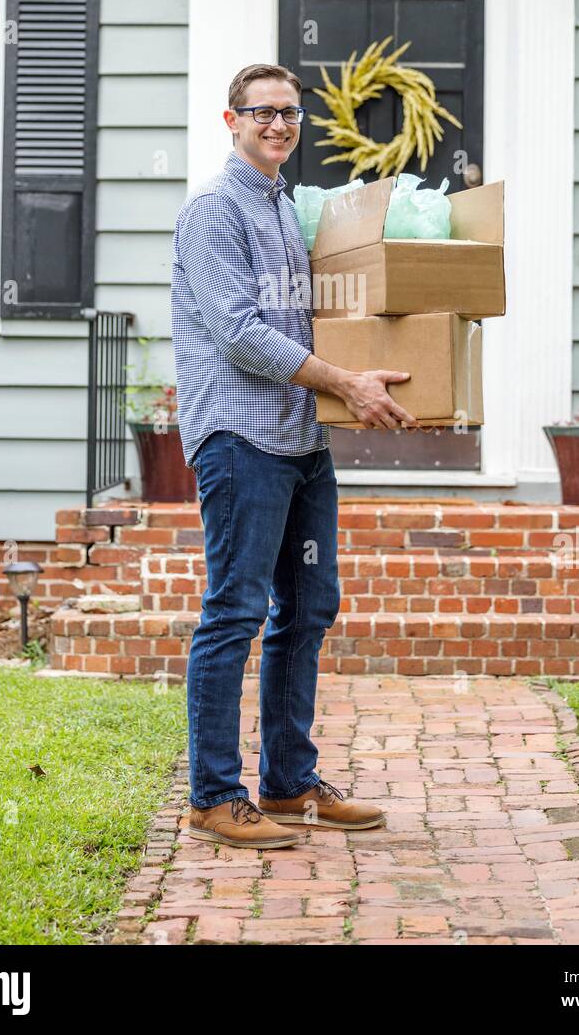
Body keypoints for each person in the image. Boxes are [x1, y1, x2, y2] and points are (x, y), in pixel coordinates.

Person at [171, 61, 418, 848]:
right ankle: (213, 794)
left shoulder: (283, 209)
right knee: (234, 611)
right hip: (242, 439)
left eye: (289, 114)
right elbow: (240, 334)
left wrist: (368, 360)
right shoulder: (214, 210)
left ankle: (286, 783)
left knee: (308, 607)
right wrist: (347, 381)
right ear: (230, 119)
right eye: (262, 113)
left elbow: (312, 323)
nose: (278, 125)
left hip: (303, 438)